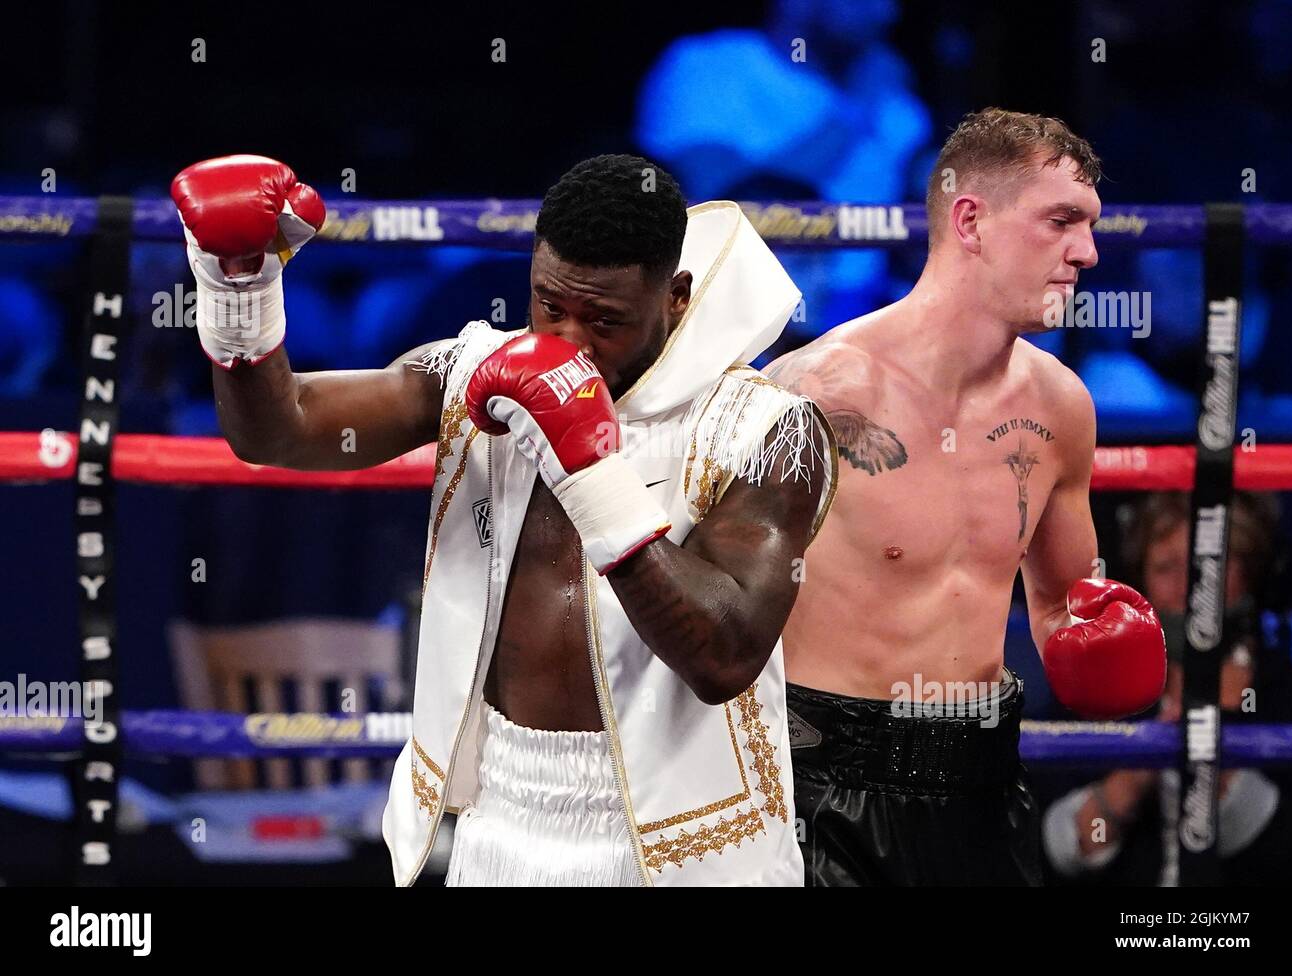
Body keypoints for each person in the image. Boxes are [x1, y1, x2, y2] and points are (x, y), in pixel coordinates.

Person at [171, 152, 835, 886]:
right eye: (551, 306)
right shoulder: (473, 375)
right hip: (502, 819)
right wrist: (240, 286)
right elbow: (277, 430)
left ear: (675, 297)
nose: (570, 341)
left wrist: (588, 468)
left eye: (605, 320)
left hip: (693, 842)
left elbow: (723, 658)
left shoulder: (768, 429)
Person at [764, 108, 1166, 886]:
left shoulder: (1060, 407)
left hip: (983, 783)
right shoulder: (813, 392)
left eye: (1089, 226)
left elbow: (1060, 602)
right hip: (824, 795)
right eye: (1061, 222)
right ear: (971, 220)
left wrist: (1097, 643)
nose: (1086, 252)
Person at [1043, 491, 1292, 885]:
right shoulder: (1099, 684)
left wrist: (1214, 762)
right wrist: (1141, 765)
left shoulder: (1283, 690)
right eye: (1166, 567)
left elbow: (1285, 852)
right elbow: (1053, 849)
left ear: (1249, 570)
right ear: (1140, 576)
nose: (1187, 586)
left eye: (1208, 566)